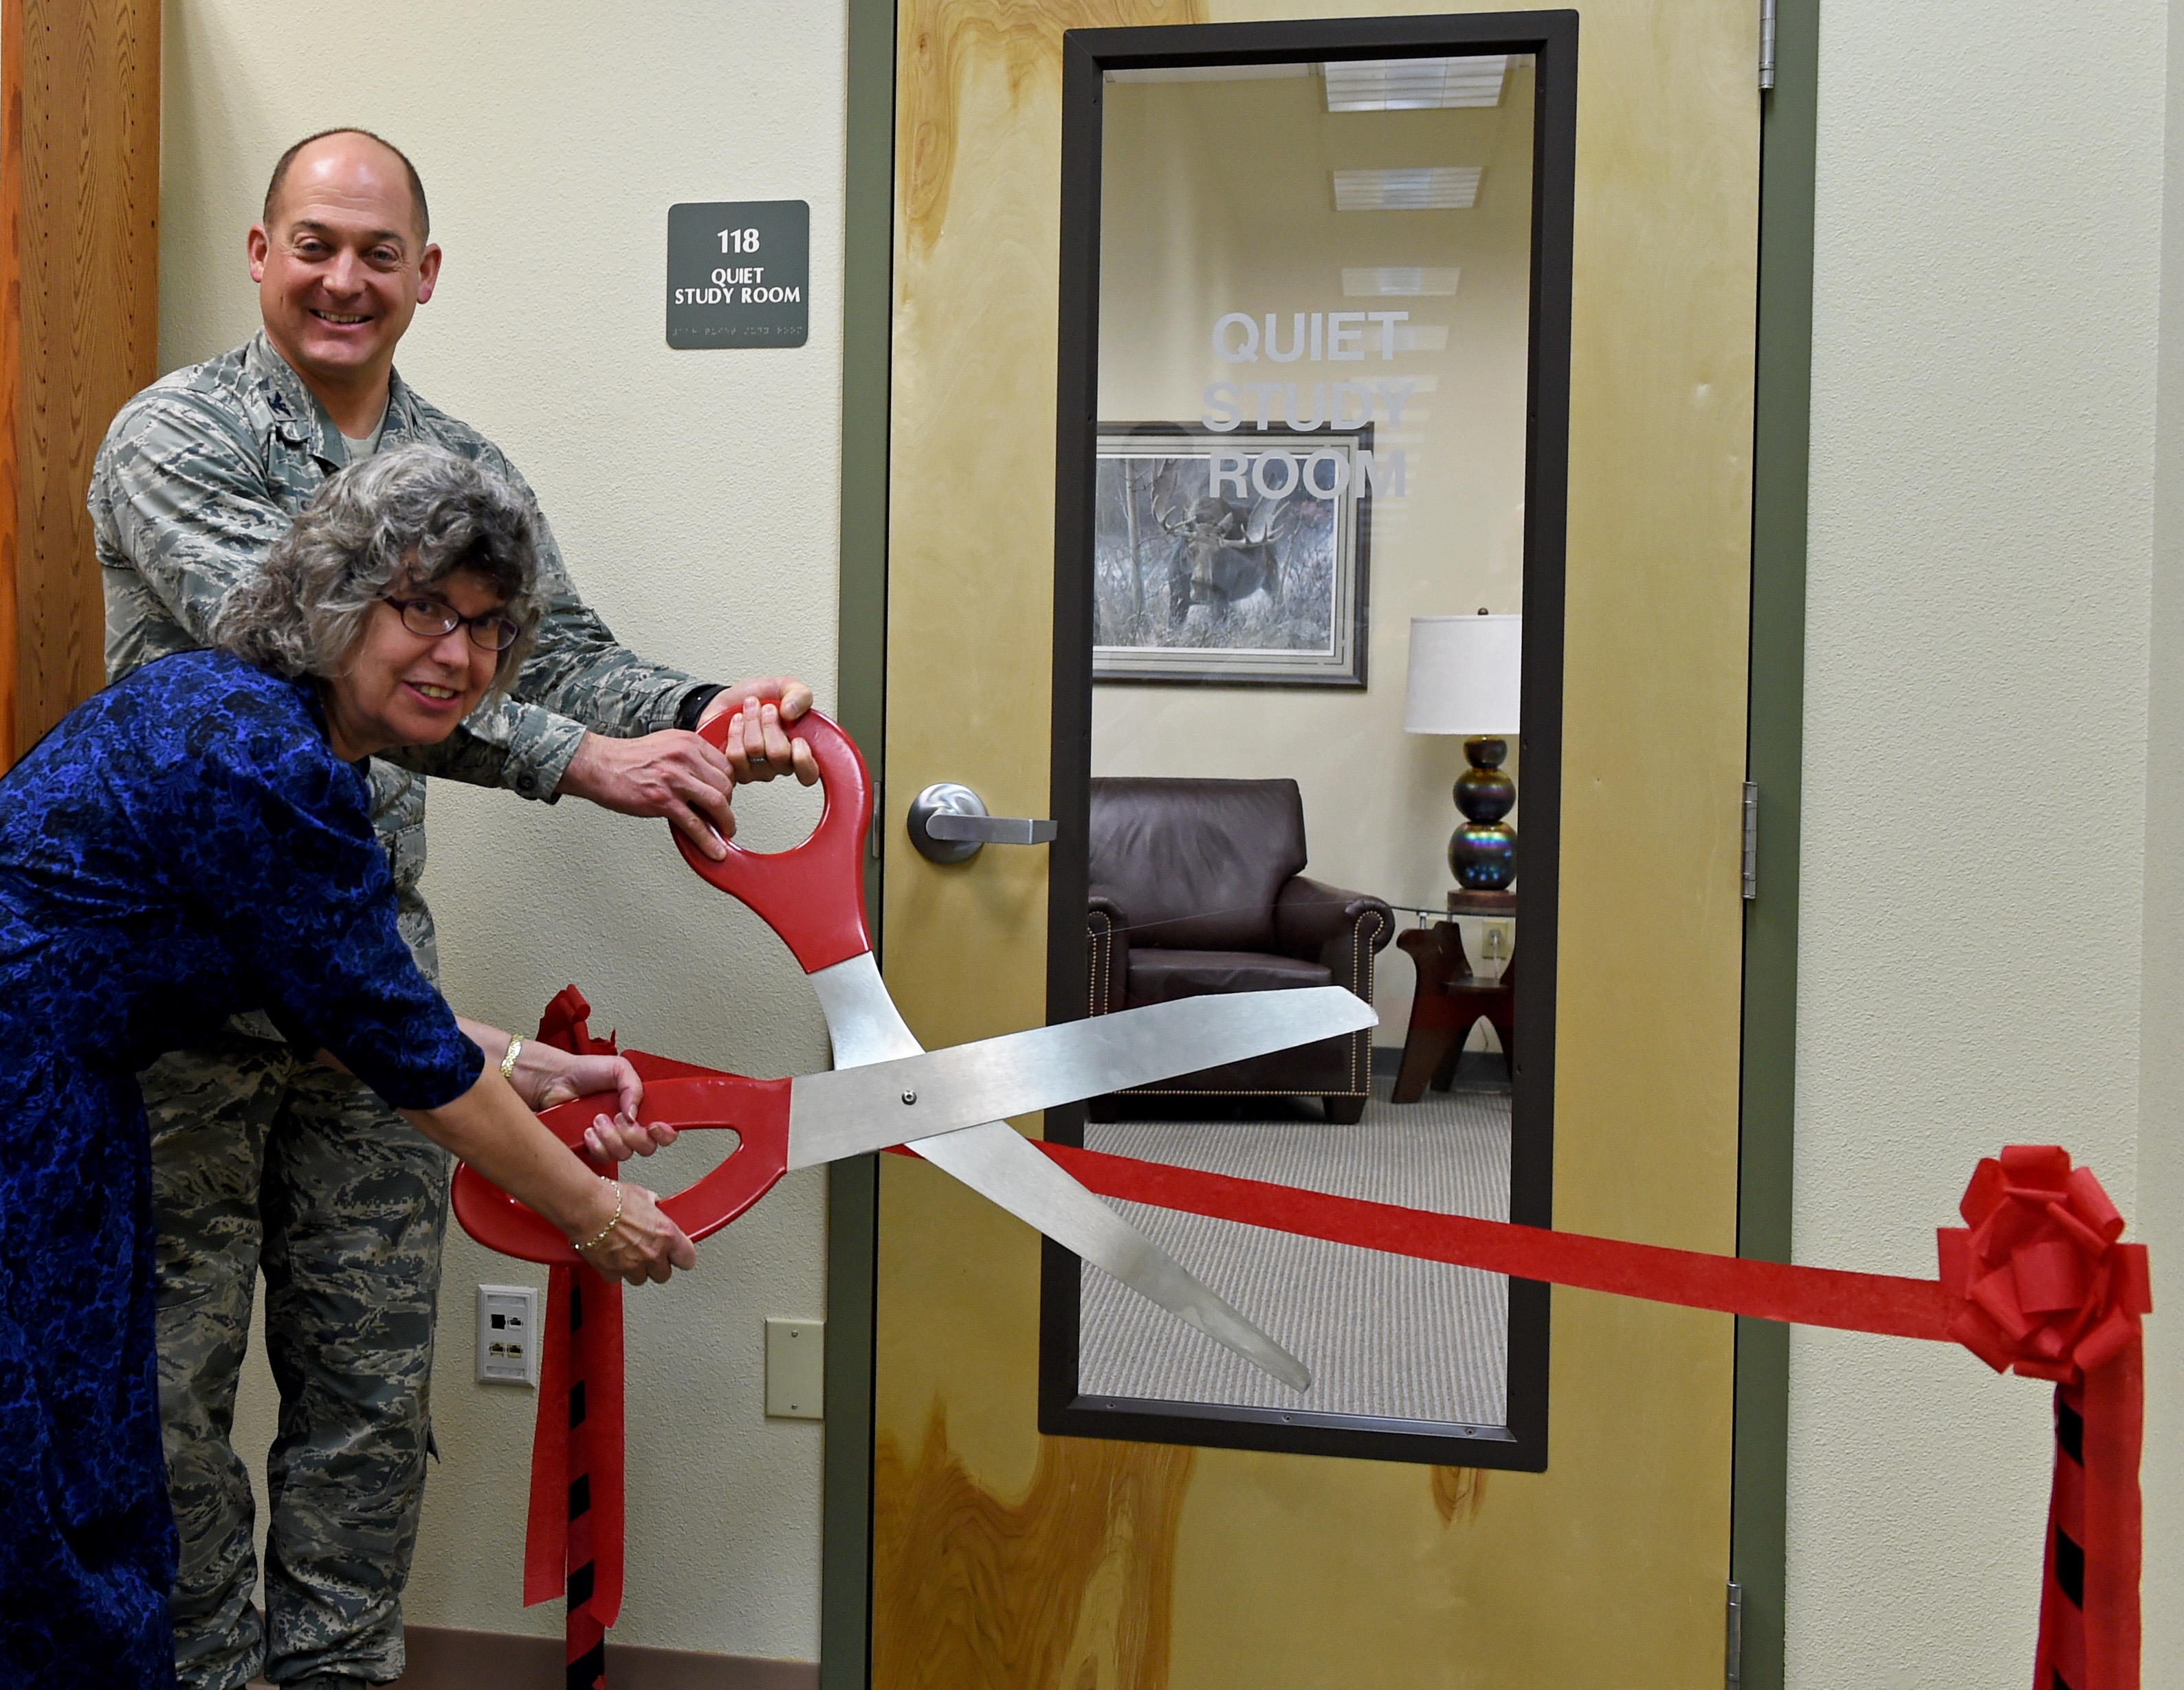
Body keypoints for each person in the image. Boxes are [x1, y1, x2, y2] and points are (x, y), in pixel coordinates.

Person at [87, 127, 814, 1689]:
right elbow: (311, 648)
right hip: (186, 1003)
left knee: (366, 1400)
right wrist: (580, 768)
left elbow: (561, 656)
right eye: (314, 244)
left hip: (371, 991)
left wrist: (708, 710)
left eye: (378, 251)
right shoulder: (174, 437)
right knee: (163, 1398)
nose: (345, 278)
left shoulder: (465, 470)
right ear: (262, 253)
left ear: (426, 274)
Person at [0, 444, 700, 1689]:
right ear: (333, 598)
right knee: (57, 1502)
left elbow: (343, 1008)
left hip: (65, 1100)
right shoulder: (255, 755)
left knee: (83, 1481)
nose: (456, 653)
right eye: (420, 606)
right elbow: (397, 1048)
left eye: (486, 627)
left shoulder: (274, 731)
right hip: (26, 1109)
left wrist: (537, 1066)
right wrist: (596, 1215)